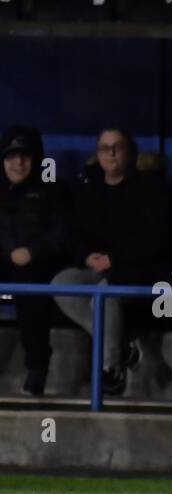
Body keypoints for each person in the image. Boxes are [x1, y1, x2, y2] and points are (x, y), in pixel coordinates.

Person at [51, 127, 170, 396]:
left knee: (103, 294)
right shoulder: (88, 187)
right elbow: (71, 231)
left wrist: (113, 258)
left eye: (117, 147)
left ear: (130, 152)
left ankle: (110, 368)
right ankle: (123, 347)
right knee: (61, 282)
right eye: (105, 148)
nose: (111, 153)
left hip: (136, 267)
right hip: (95, 265)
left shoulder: (150, 188)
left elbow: (155, 237)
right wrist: (86, 255)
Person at [0, 125, 70, 397]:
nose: (18, 163)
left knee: (29, 283)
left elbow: (64, 233)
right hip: (7, 258)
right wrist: (11, 251)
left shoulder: (54, 192)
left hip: (37, 264)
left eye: (25, 156)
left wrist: (33, 251)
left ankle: (37, 367)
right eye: (11, 156)